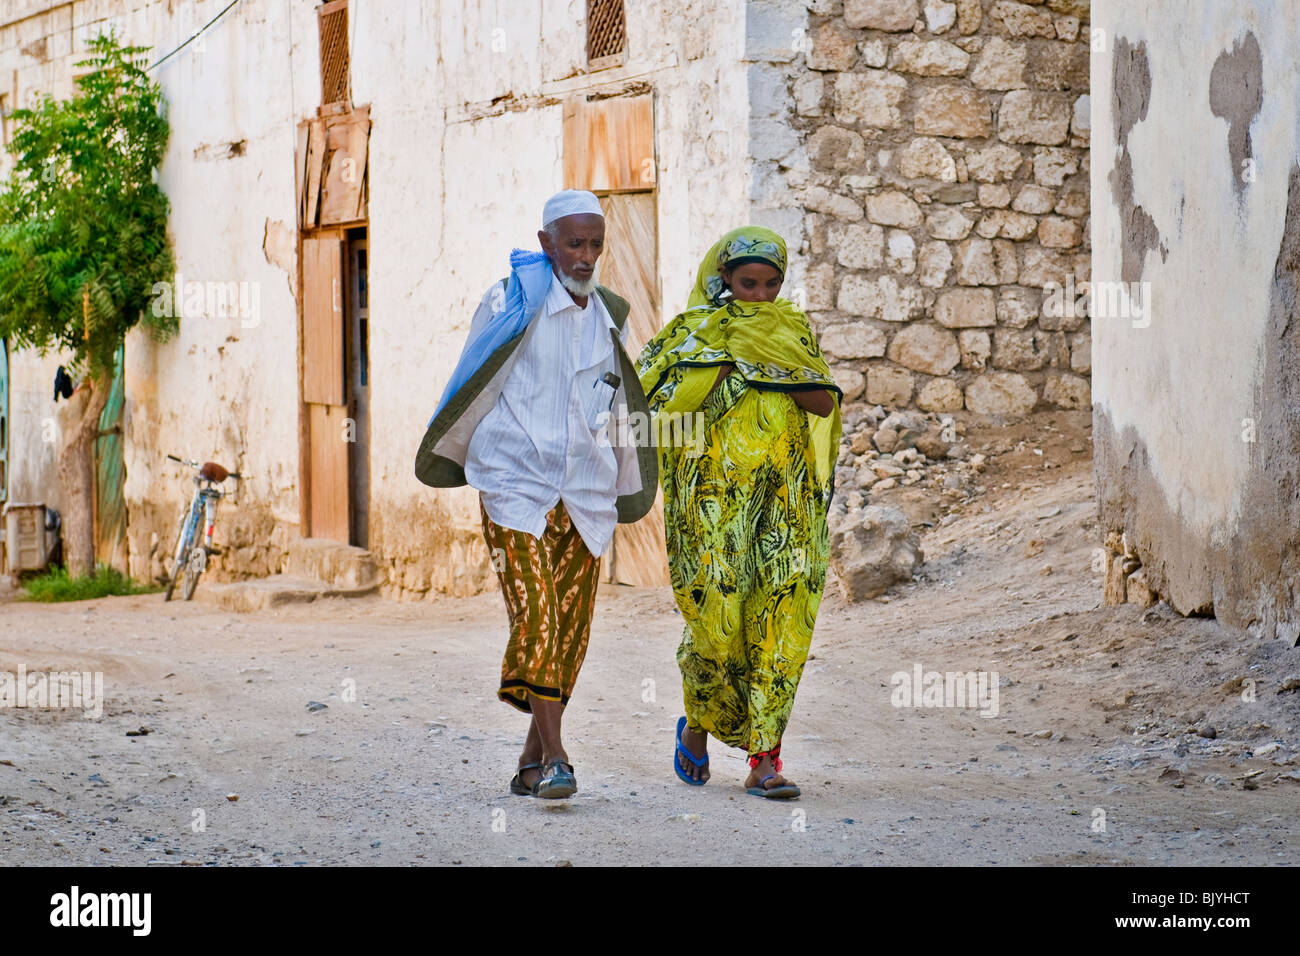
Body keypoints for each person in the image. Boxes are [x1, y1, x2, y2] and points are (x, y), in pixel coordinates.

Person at [415, 189, 657, 799]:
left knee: (572, 631)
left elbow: (614, 403)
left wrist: (628, 469)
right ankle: (557, 757)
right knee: (537, 616)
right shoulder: (508, 300)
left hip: (585, 492)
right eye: (574, 243)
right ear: (548, 242)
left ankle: (530, 762)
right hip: (514, 485)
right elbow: (478, 373)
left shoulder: (607, 315)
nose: (586, 255)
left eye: (595, 244)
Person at [636, 226, 841, 799]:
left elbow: (823, 401)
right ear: (723, 278)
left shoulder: (792, 331)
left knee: (782, 619)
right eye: (748, 282)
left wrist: (766, 364)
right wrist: (720, 369)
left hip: (786, 506)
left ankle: (765, 761)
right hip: (712, 507)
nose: (760, 295)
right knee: (717, 621)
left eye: (772, 284)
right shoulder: (689, 334)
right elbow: (649, 414)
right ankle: (696, 725)